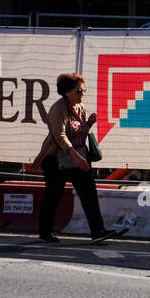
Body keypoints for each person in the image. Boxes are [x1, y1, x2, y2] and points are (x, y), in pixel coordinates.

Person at [32, 72, 119, 243]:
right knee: (53, 195)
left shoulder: (81, 108)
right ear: (67, 92)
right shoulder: (58, 109)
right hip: (57, 159)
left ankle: (98, 231)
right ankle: (45, 232)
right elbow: (60, 136)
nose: (82, 94)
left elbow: (80, 133)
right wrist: (77, 157)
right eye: (78, 91)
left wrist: (89, 124)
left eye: (83, 90)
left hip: (78, 156)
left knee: (89, 194)